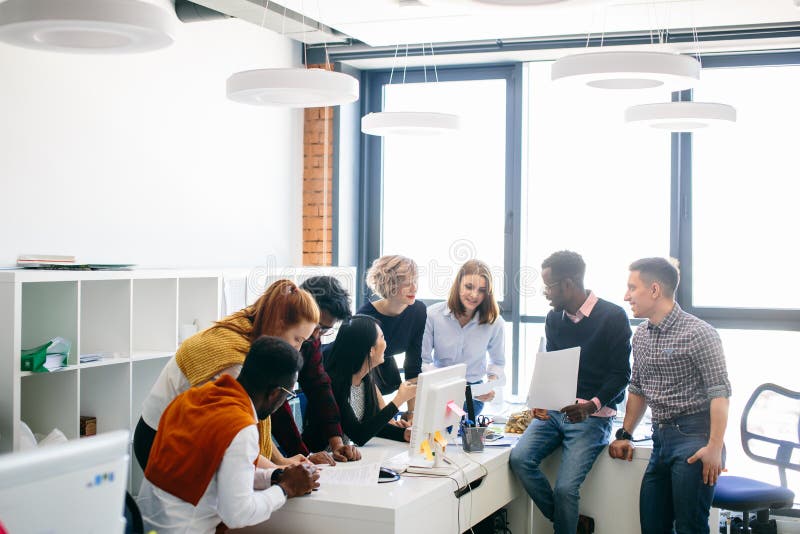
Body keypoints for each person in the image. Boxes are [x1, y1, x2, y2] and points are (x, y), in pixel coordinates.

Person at [137, 335, 319, 534]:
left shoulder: (194, 398)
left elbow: (223, 474)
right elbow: (238, 513)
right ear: (275, 393)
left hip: (147, 524)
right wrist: (286, 488)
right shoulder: (240, 427)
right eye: (288, 394)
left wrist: (275, 475)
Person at [133, 279, 321, 471]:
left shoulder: (249, 328)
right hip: (161, 440)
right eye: (297, 339)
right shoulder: (234, 363)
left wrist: (279, 462)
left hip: (184, 435)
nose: (297, 349)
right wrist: (277, 472)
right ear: (280, 323)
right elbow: (233, 435)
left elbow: (250, 420)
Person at [510, 250, 632, 534]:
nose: (545, 293)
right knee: (519, 460)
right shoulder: (554, 318)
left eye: (548, 286)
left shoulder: (613, 316)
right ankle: (570, 524)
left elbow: (621, 375)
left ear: (567, 284)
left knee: (566, 489)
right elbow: (554, 366)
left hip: (593, 417)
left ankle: (566, 523)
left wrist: (590, 406)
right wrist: (540, 401)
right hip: (555, 412)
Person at [610, 257, 731, 534]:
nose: (626, 296)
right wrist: (625, 434)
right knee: (652, 525)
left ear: (654, 290)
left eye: (632, 287)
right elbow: (638, 388)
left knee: (690, 527)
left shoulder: (700, 333)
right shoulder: (640, 335)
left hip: (694, 438)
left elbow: (720, 393)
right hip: (661, 440)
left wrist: (715, 447)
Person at [270, 275, 362, 462]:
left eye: (325, 329)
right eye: (317, 325)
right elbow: (276, 402)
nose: (316, 334)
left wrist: (337, 443)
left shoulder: (312, 339)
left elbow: (319, 385)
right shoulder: (274, 334)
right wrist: (304, 455)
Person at [304, 315, 417, 448]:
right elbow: (359, 435)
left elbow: (372, 426)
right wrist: (399, 400)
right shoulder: (333, 383)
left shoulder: (365, 379)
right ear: (371, 350)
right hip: (320, 459)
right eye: (382, 338)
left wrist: (403, 434)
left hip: (343, 459)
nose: (386, 344)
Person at [421, 259, 505, 416]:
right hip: (438, 388)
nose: (474, 295)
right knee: (441, 429)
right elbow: (424, 360)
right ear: (458, 284)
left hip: (473, 393)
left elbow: (497, 363)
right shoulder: (433, 315)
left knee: (459, 428)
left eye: (481, 290)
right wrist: (441, 386)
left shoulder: (495, 322)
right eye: (469, 287)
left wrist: (490, 385)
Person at [358, 255, 426, 420]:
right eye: (407, 283)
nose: (414, 288)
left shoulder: (417, 311)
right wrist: (387, 419)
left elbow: (413, 365)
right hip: (358, 375)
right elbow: (365, 375)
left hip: (383, 369)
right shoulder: (365, 318)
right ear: (389, 284)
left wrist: (412, 414)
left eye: (415, 281)